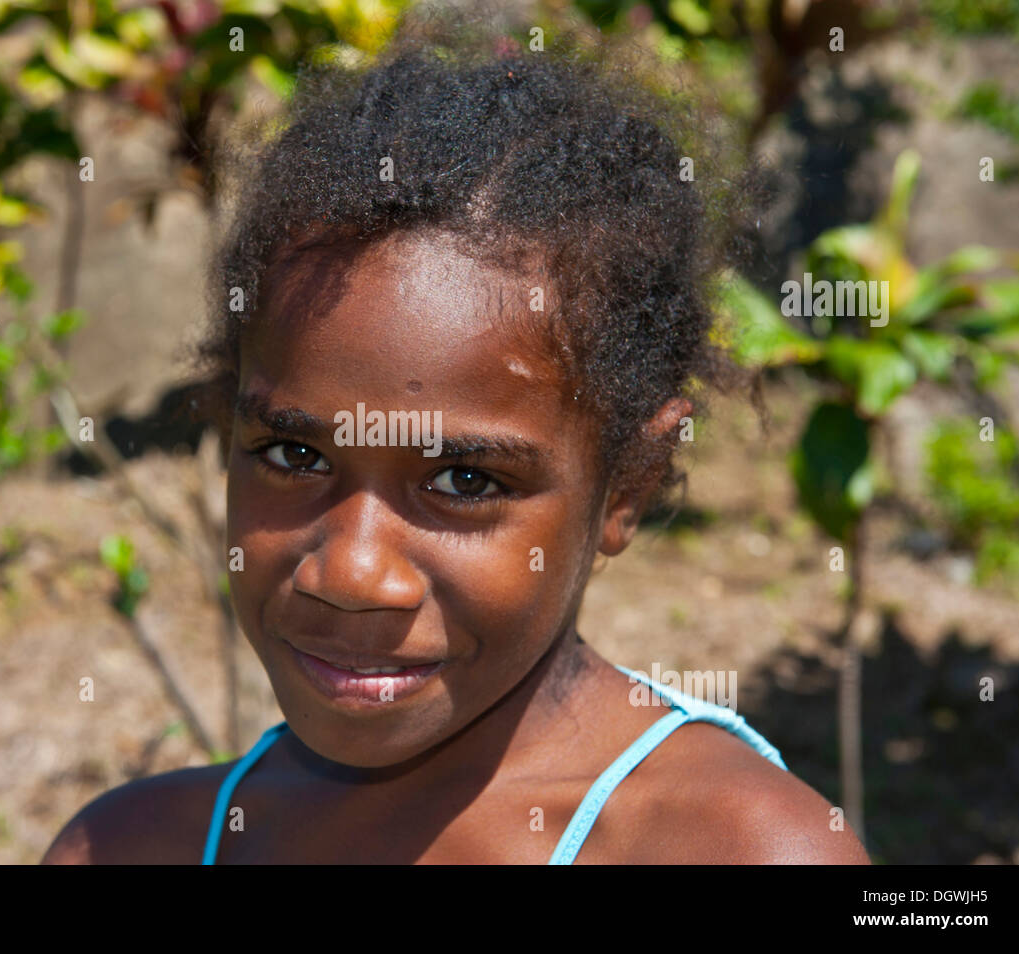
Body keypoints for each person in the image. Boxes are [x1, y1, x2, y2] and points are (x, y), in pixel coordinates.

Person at [43, 10, 870, 865]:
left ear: (627, 485)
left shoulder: (737, 850)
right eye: (295, 455)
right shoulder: (134, 847)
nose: (351, 573)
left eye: (466, 481)